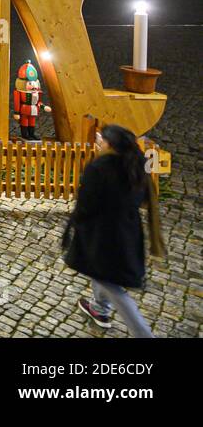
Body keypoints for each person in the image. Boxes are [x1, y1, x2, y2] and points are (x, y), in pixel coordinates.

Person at [64, 125, 165, 337]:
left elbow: (86, 203)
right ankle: (99, 308)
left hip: (103, 234)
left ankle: (143, 333)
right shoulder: (136, 165)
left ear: (110, 144)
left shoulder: (100, 167)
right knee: (101, 272)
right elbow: (145, 199)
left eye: (102, 139)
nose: (99, 142)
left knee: (108, 281)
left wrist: (77, 223)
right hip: (128, 231)